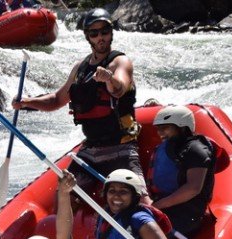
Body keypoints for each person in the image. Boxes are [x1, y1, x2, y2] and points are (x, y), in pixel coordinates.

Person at [11, 8, 142, 195]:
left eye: (104, 32)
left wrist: (109, 79)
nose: (100, 37)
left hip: (121, 148)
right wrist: (26, 102)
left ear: (111, 33)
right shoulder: (80, 68)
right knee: (63, 194)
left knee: (140, 203)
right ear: (88, 37)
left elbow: (119, 89)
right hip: (90, 150)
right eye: (94, 33)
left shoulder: (120, 62)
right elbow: (56, 100)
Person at [147, 105, 216, 237]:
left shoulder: (196, 149)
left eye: (165, 128)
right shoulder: (170, 148)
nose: (160, 133)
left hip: (185, 215)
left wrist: (156, 206)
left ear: (182, 126)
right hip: (165, 207)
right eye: (158, 129)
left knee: (140, 230)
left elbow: (193, 188)